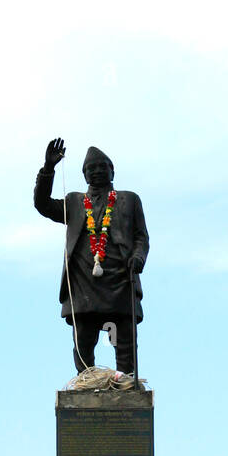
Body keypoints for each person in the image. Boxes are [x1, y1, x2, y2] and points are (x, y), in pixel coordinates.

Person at [34, 138, 149, 374]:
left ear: (112, 171)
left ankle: (126, 385)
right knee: (84, 340)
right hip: (83, 282)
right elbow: (42, 204)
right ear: (84, 175)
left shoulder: (129, 199)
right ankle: (86, 382)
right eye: (90, 169)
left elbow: (141, 237)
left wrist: (138, 257)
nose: (96, 172)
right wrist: (48, 169)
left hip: (120, 280)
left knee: (123, 339)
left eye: (101, 167)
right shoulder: (74, 202)